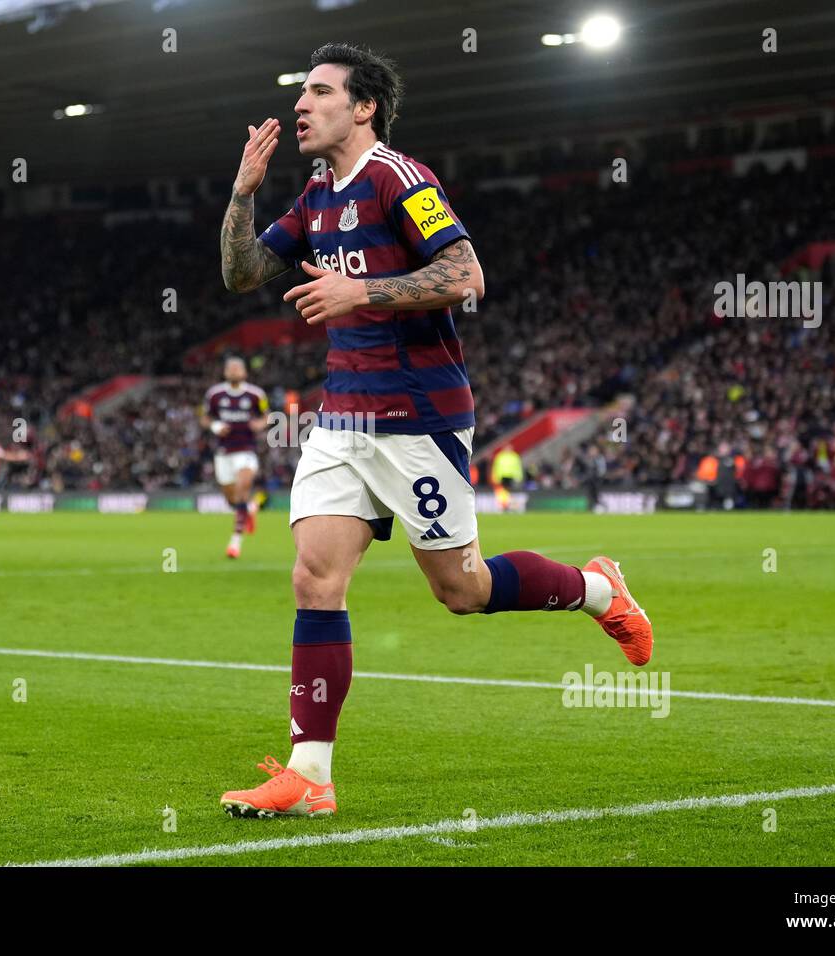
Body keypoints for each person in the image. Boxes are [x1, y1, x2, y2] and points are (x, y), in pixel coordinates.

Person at [216, 42, 652, 818]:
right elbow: (243, 273)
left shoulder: (399, 178)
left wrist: (363, 293)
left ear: (364, 106)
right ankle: (310, 775)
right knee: (314, 578)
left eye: (319, 91)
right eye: (301, 92)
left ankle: (597, 590)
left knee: (462, 590)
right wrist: (244, 193)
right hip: (342, 417)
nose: (301, 104)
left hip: (417, 416)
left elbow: (465, 276)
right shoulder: (317, 190)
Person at [200, 356, 269, 558]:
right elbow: (205, 417)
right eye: (231, 368)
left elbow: (268, 415)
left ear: (245, 372)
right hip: (223, 453)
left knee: (242, 488)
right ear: (225, 372)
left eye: (238, 368)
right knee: (232, 499)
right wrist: (214, 425)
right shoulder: (214, 394)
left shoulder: (256, 394)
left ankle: (235, 543)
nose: (234, 371)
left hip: (246, 450)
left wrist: (261, 424)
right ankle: (249, 507)